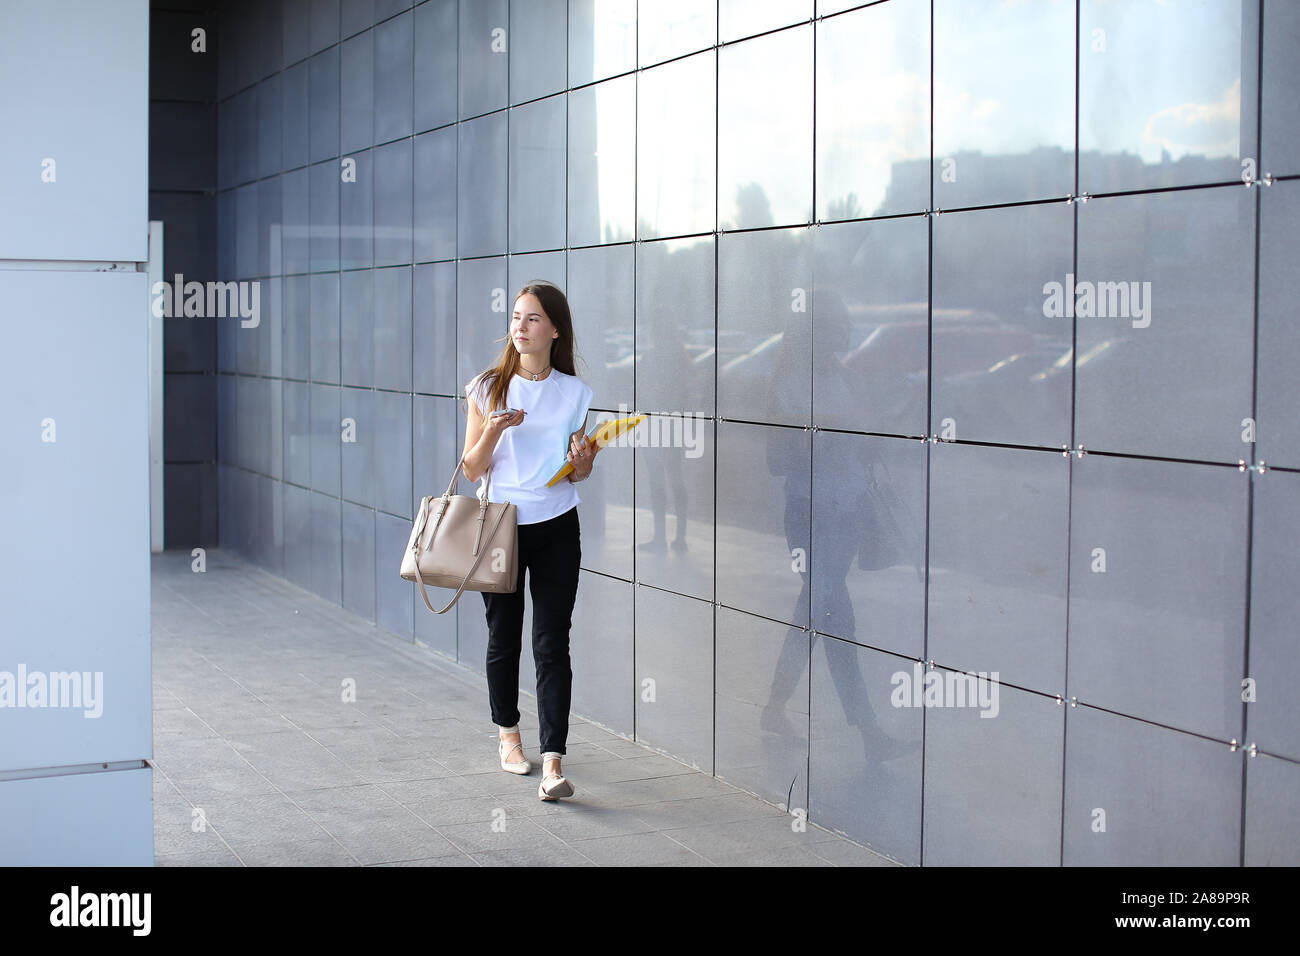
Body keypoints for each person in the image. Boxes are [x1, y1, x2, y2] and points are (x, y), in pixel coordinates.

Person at [460, 281, 598, 801]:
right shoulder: (485, 386)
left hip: (558, 524)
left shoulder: (574, 393)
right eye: (516, 317)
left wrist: (583, 462)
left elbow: (574, 471)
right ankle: (509, 737)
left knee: (551, 642)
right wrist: (495, 429)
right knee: (504, 636)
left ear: (554, 329)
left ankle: (555, 761)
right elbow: (472, 467)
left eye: (532, 318)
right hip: (502, 523)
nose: (520, 327)